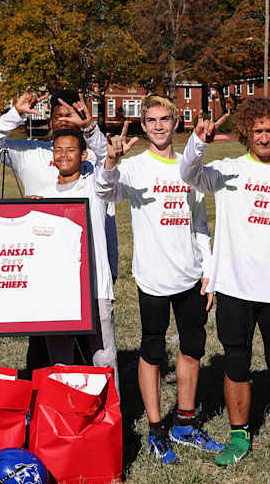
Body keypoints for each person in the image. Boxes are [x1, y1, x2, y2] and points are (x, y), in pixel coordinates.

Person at [180, 98, 270, 469]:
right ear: (246, 133)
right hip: (235, 288)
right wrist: (198, 142)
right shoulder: (228, 170)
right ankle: (239, 436)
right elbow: (188, 174)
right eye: (258, 130)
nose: (265, 137)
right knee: (236, 362)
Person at [95, 97, 222, 464]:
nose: (158, 126)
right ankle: (156, 429)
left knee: (192, 347)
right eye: (151, 120)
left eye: (165, 119)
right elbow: (105, 192)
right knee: (152, 350)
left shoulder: (189, 168)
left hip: (190, 277)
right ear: (143, 125)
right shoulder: (133, 168)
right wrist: (110, 163)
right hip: (152, 278)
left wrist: (208, 270)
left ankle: (185, 422)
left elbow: (200, 223)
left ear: (176, 122)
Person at [0, 88, 116, 368]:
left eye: (71, 114)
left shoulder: (91, 160)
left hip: (91, 267)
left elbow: (109, 158)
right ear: (50, 119)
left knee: (97, 355)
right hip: (45, 271)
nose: (64, 120)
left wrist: (89, 127)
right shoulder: (29, 151)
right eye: (58, 116)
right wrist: (16, 114)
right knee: (48, 356)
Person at [32, 127, 116, 380]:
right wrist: (29, 211)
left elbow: (106, 164)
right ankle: (65, 405)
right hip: (58, 291)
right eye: (58, 149)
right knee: (60, 363)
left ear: (83, 155)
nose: (64, 155)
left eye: (71, 149)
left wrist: (91, 129)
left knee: (104, 359)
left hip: (95, 288)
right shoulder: (45, 194)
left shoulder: (95, 187)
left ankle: (109, 405)